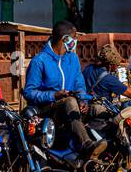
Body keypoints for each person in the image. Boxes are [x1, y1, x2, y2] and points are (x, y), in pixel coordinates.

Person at [23, 21, 105, 160]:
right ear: (65, 39)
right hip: (48, 110)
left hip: (70, 107)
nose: (75, 41)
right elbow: (29, 92)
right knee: (70, 102)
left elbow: (79, 83)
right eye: (74, 38)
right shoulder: (40, 61)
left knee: (99, 108)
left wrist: (83, 100)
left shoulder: (72, 58)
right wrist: (54, 95)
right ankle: (86, 144)